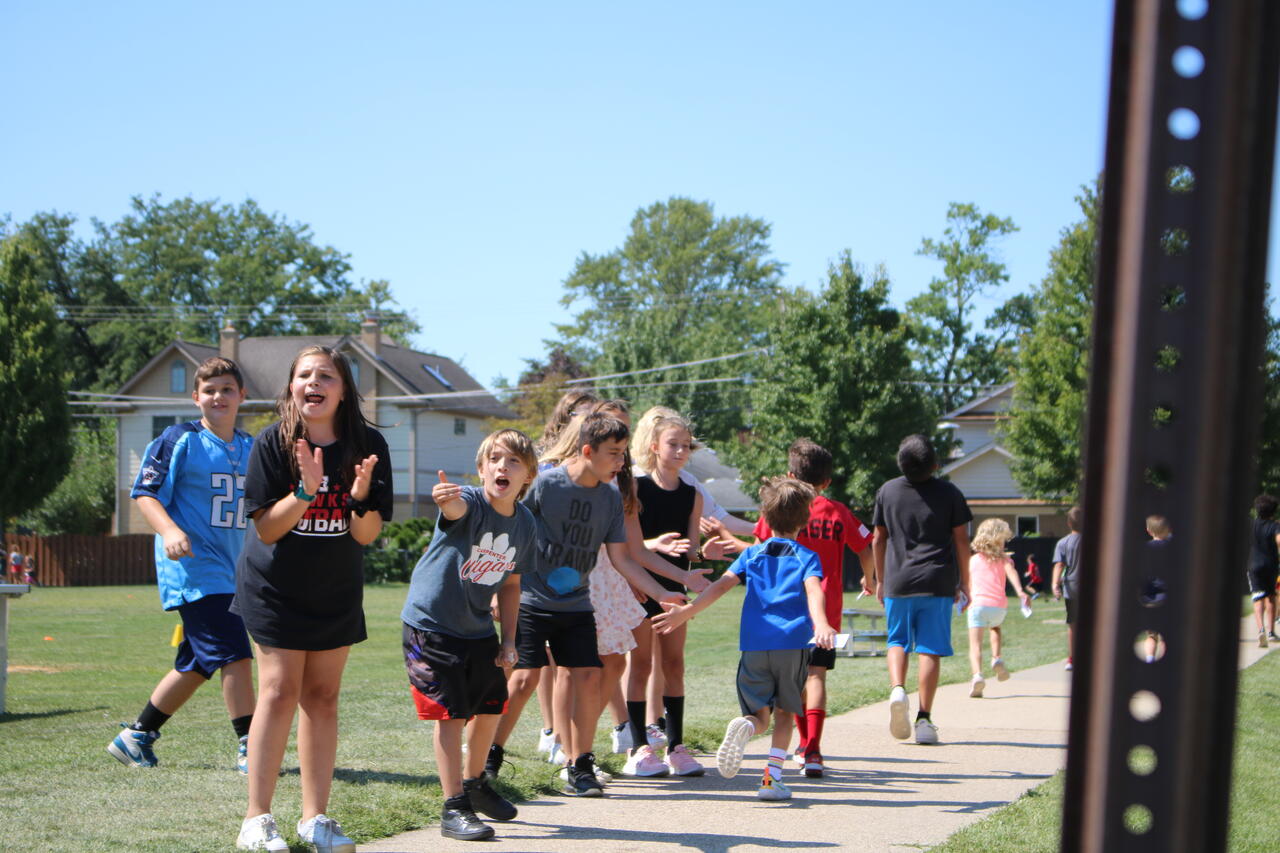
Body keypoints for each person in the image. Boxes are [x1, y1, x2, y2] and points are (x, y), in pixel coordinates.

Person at [232, 345, 393, 853]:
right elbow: (267, 530)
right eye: (304, 375)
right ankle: (256, 819)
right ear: (291, 386)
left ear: (343, 389)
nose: (313, 383)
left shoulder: (368, 445)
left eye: (326, 375)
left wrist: (359, 498)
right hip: (273, 589)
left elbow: (366, 535)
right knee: (279, 691)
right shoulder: (272, 443)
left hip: (334, 591)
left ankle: (314, 819)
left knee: (322, 697)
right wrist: (306, 490)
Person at [484, 411, 686, 798]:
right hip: (532, 599)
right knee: (524, 680)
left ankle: (580, 765)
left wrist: (661, 594)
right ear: (588, 450)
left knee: (590, 677)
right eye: (614, 453)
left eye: (623, 453)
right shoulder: (548, 484)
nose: (621, 462)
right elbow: (514, 531)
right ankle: (489, 753)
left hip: (577, 604)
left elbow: (622, 558)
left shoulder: (610, 497)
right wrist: (498, 588)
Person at [109, 356, 257, 774]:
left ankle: (137, 736)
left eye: (227, 389)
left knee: (198, 661)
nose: (218, 397)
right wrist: (170, 530)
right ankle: (251, 745)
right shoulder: (179, 439)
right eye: (209, 390)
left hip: (234, 571)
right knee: (235, 655)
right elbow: (145, 493)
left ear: (242, 395)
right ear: (195, 397)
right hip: (194, 568)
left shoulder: (251, 446)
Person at [654, 476, 836, 801]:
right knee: (785, 712)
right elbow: (813, 591)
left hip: (754, 645)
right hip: (791, 644)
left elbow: (720, 586)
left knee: (759, 715)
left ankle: (748, 726)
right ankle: (771, 779)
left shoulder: (751, 555)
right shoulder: (806, 557)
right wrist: (821, 624)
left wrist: (687, 611)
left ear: (766, 517)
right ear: (804, 519)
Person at [400, 429, 538, 841]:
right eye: (494, 459)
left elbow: (511, 584)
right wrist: (446, 499)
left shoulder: (525, 523)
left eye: (513, 461)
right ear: (481, 469)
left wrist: (509, 640)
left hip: (477, 626)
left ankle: (474, 783)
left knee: (493, 705)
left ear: (528, 475)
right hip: (431, 623)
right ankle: (453, 806)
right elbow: (455, 508)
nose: (502, 467)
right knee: (451, 714)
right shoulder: (471, 501)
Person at [752, 438, 872, 778]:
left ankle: (802, 744)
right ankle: (813, 749)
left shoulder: (780, 507)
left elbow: (759, 547)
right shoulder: (837, 512)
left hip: (786, 607)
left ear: (791, 476)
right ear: (827, 482)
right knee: (816, 674)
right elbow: (865, 546)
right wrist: (870, 578)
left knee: (794, 677)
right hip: (825, 608)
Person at [872, 434, 972, 745]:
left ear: (900, 463)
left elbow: (878, 538)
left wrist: (880, 579)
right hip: (937, 581)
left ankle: (897, 689)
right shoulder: (950, 493)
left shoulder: (887, 491)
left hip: (898, 580)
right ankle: (924, 720)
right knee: (929, 648)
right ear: (935, 464)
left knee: (897, 640)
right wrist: (965, 581)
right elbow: (961, 540)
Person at [631, 409, 709, 776]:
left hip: (675, 590)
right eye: (672, 444)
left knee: (674, 664)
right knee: (641, 664)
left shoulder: (693, 495)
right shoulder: (636, 488)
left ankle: (676, 747)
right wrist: (653, 547)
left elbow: (691, 550)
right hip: (639, 586)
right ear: (654, 446)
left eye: (685, 446)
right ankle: (639, 748)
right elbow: (629, 546)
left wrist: (704, 552)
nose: (680, 451)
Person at [532, 390, 601, 760]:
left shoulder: (601, 482)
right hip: (540, 583)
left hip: (580, 581)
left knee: (577, 668)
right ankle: (550, 732)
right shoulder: (545, 471)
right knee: (539, 666)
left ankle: (573, 750)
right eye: (581, 413)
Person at [965, 519, 1031, 698]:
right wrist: (1020, 592)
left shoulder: (972, 560)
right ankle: (996, 658)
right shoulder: (1005, 560)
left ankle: (977, 675)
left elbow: (968, 584)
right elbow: (1012, 573)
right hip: (998, 606)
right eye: (1003, 540)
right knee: (995, 627)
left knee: (975, 645)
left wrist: (965, 599)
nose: (1004, 544)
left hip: (977, 605)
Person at [1052, 506, 1083, 671]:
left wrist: (1054, 584)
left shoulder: (1063, 543)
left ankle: (1072, 658)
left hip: (1072, 587)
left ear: (1069, 523)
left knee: (1073, 624)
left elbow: (1059, 565)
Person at [1247, 494, 1280, 647]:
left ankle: (1260, 629)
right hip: (1271, 565)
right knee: (1271, 596)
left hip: (1253, 564)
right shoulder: (1274, 526)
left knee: (1257, 596)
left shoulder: (1251, 525)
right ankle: (1271, 632)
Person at [1143, 515, 1172, 661]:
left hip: (1150, 597)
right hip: (1168, 599)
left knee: (1151, 635)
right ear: (1168, 529)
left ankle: (1150, 659)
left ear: (1148, 531)